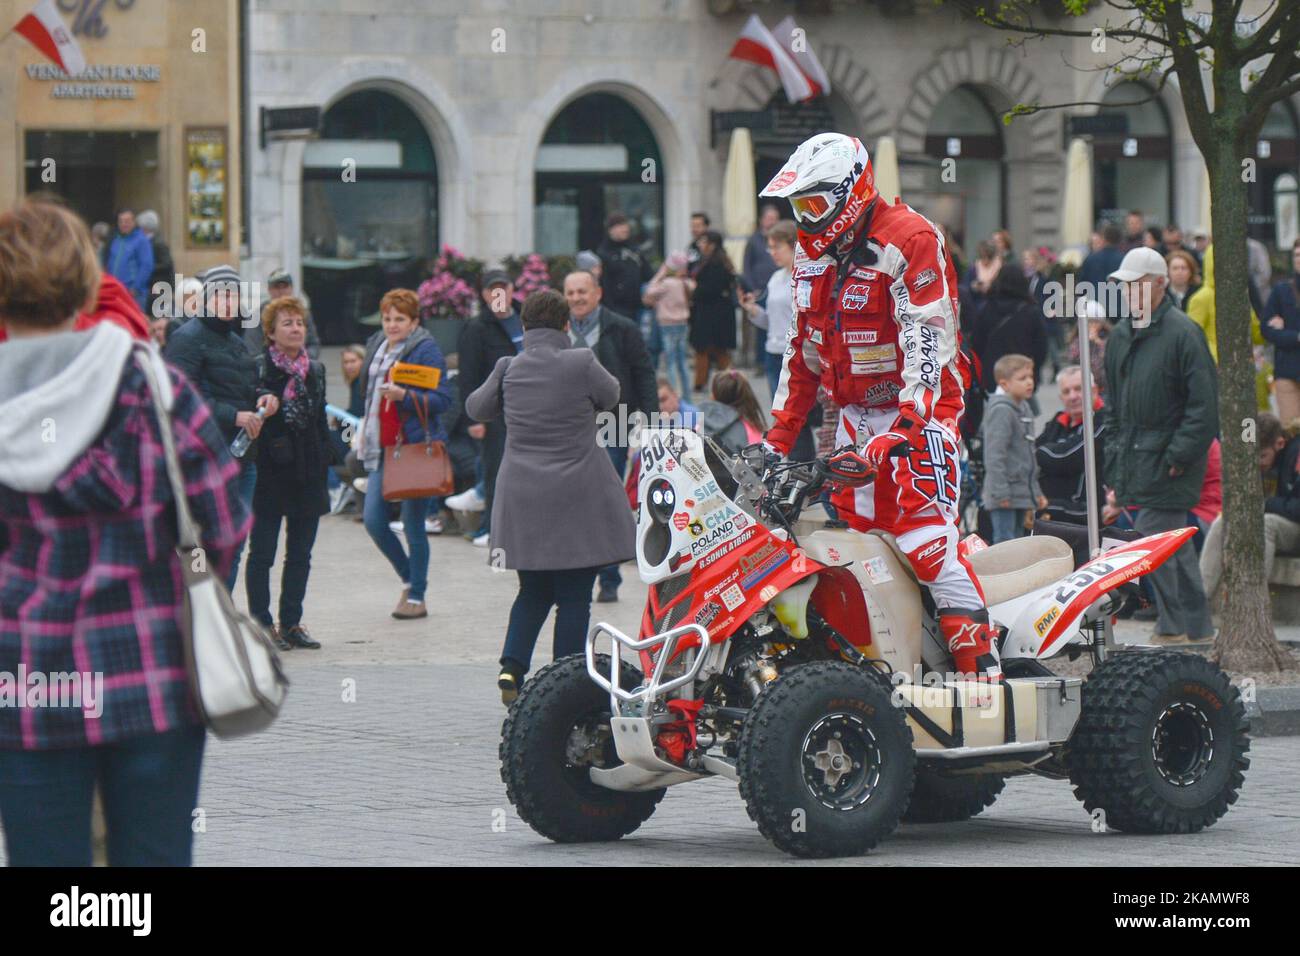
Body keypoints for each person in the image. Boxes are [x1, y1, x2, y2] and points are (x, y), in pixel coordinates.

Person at [0, 197, 248, 865]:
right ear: (88, 280)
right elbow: (222, 524)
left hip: (26, 684)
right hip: (154, 675)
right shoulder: (153, 388)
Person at [761, 130, 1002, 681]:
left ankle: (983, 674)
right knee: (851, 548)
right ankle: (873, 678)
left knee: (925, 545)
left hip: (920, 413)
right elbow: (802, 353)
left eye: (815, 203)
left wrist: (908, 425)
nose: (806, 218)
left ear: (852, 190)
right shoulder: (810, 252)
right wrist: (774, 441)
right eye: (798, 205)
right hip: (851, 417)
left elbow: (927, 338)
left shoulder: (911, 237)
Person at [464, 290, 636, 704]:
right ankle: (565, 682)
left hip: (524, 498)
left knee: (533, 591)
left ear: (524, 328)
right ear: (565, 325)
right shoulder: (580, 361)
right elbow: (612, 395)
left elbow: (475, 408)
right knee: (575, 596)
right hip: (577, 497)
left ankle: (512, 668)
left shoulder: (508, 366)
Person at [1104, 246, 1218, 645]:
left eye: (1136, 285)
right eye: (1124, 286)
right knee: (1164, 542)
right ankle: (1186, 625)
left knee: (1157, 538)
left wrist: (1181, 454)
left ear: (1159, 285)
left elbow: (1204, 405)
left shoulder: (1184, 333)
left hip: (1170, 458)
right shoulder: (1121, 334)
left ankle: (1184, 625)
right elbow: (1114, 404)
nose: (1129, 292)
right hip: (1139, 454)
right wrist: (1114, 459)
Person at [165, 265, 279, 591]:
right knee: (202, 544)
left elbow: (248, 387)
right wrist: (234, 416)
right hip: (204, 459)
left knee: (234, 542)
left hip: (243, 457)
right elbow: (180, 397)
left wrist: (264, 398)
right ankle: (199, 614)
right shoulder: (186, 338)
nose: (228, 302)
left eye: (233, 296)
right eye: (221, 296)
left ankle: (223, 615)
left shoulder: (236, 339)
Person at [245, 296, 335, 651]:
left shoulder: (316, 369)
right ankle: (261, 623)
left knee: (300, 554)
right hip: (270, 471)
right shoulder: (259, 369)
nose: (295, 329)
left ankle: (292, 623)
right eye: (287, 323)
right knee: (263, 552)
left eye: (299, 322)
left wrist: (329, 457)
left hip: (308, 470)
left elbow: (320, 414)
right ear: (270, 333)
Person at [562, 269, 656, 602]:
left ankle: (609, 576)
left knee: (604, 499)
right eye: (570, 293)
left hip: (613, 425)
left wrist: (650, 420)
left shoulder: (622, 327)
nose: (576, 298)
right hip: (570, 429)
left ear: (598, 293)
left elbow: (644, 373)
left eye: (582, 292)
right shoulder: (558, 331)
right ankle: (577, 571)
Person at [358, 288, 452, 620]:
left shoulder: (425, 349)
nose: (392, 325)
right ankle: (409, 577)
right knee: (373, 520)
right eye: (387, 318)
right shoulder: (377, 345)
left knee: (413, 524)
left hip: (412, 447)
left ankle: (417, 595)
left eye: (400, 319)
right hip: (380, 444)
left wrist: (404, 395)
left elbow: (443, 399)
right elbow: (367, 395)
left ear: (414, 321)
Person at [450, 269, 523, 541]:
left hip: (529, 408)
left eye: (503, 287)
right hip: (495, 412)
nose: (499, 294)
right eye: (493, 289)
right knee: (496, 470)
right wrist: (473, 418)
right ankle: (493, 530)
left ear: (512, 289)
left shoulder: (527, 317)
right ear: (483, 294)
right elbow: (468, 377)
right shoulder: (476, 328)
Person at [1201, 415, 1299, 603]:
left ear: (1279, 443)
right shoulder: (1259, 466)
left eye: (1262, 456)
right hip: (1278, 518)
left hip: (1293, 526)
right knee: (1224, 521)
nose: (1258, 462)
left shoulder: (1296, 453)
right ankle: (1199, 599)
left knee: (1266, 524)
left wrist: (1264, 504)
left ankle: (1252, 603)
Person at [980, 354, 1046, 543]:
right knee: (1005, 542)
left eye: (1031, 377)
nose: (1029, 382)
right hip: (1004, 493)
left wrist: (1036, 492)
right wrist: (1000, 492)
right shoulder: (1001, 410)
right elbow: (994, 455)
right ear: (1005, 384)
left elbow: (1028, 457)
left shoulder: (1023, 408)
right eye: (1022, 378)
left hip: (1021, 492)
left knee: (1018, 543)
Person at [1035, 364, 1108, 525]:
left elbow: (1064, 457)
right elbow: (1032, 453)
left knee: (1030, 511)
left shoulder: (1103, 420)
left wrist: (1045, 452)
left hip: (1086, 510)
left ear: (1094, 391)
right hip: (1054, 503)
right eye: (1066, 392)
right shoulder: (1058, 420)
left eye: (1078, 389)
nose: (1072, 396)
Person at [740, 219, 798, 398]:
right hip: (772, 353)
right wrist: (752, 310)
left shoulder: (803, 277)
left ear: (793, 245)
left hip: (795, 355)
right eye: (769, 248)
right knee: (778, 412)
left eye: (777, 247)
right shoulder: (775, 277)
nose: (772, 253)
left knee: (795, 416)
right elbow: (771, 321)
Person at [970, 263, 1047, 394]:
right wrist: (1033, 371)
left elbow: (976, 344)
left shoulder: (986, 309)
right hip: (1023, 374)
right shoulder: (1030, 312)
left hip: (993, 375)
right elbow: (1041, 348)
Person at [689, 229, 738, 392]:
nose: (700, 244)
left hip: (714, 314)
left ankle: (726, 382)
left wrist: (694, 290)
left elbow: (711, 289)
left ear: (712, 245)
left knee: (714, 350)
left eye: (703, 242)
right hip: (709, 312)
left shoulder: (716, 263)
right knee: (711, 350)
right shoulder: (707, 260)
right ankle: (711, 381)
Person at [644, 252, 695, 401]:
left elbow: (649, 290)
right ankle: (687, 395)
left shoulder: (666, 284)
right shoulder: (686, 283)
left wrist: (660, 273)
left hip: (667, 324)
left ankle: (674, 395)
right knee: (682, 361)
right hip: (682, 324)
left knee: (670, 362)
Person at [1261, 238, 1300, 423]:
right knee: (1290, 430)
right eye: (1297, 255)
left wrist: (1287, 331)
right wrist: (1296, 336)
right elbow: (1267, 330)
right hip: (1287, 370)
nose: (1299, 259)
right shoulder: (1282, 290)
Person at [249, 269, 321, 358]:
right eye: (276, 287)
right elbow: (252, 349)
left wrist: (303, 361)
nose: (281, 291)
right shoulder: (257, 316)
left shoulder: (303, 312)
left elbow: (313, 344)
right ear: (269, 290)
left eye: (285, 286)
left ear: (291, 289)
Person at [596, 213, 653, 323]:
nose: (624, 229)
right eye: (620, 226)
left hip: (638, 308)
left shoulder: (634, 250)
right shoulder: (604, 253)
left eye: (625, 225)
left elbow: (648, 274)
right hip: (616, 309)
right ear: (610, 230)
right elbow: (604, 284)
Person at [699, 369, 768, 455]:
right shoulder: (750, 429)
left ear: (713, 395)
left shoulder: (695, 420)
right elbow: (757, 462)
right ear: (744, 395)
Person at [105, 208, 154, 312]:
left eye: (127, 221)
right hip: (115, 292)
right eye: (121, 221)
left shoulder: (141, 240)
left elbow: (146, 265)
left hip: (133, 294)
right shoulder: (116, 240)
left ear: (134, 222)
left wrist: (136, 288)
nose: (124, 224)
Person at [137, 209, 173, 319]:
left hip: (160, 285)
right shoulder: (148, 242)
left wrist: (148, 268)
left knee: (159, 316)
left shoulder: (158, 243)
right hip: (154, 285)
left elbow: (167, 263)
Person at [743, 204, 781, 296]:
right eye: (769, 218)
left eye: (775, 219)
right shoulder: (753, 240)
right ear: (761, 220)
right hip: (760, 289)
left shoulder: (781, 240)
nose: (773, 222)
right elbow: (747, 267)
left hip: (779, 287)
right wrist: (753, 288)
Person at [1079, 222, 1125, 295]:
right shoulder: (1124, 260)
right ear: (1120, 240)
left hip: (1095, 303)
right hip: (1118, 303)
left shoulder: (1090, 259)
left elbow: (1081, 287)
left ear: (1104, 239)